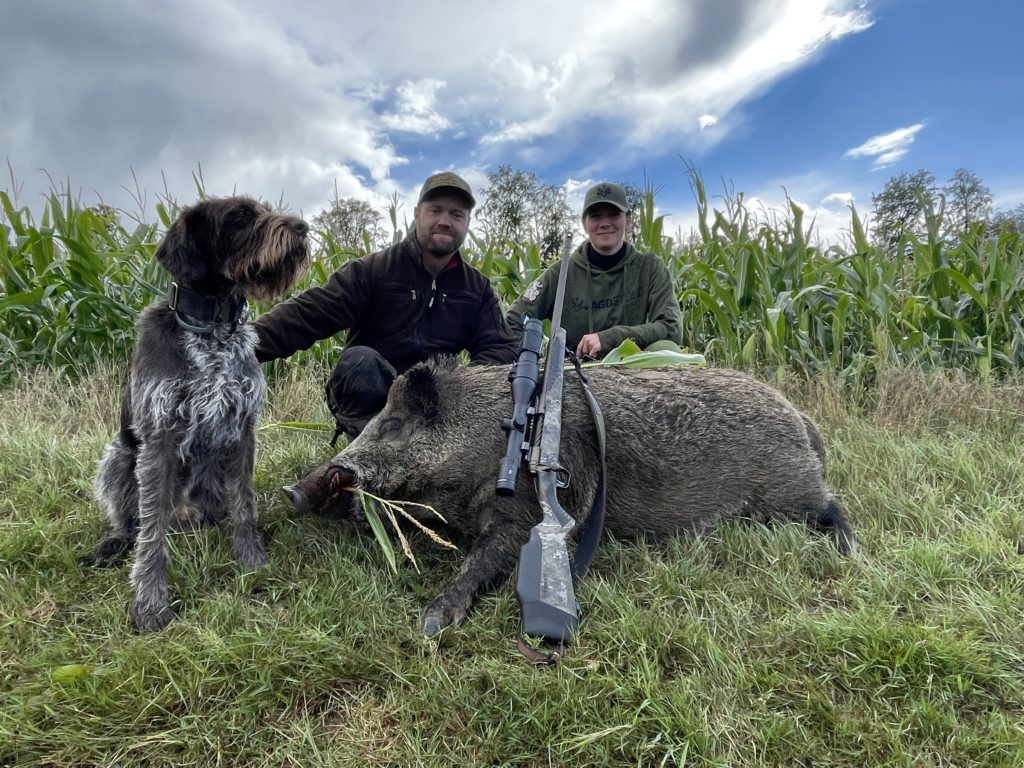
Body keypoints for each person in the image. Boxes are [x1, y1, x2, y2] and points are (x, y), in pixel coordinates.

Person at [254, 171, 519, 443]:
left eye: (456, 214)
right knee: (359, 361)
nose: (444, 221)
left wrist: (458, 384)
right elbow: (309, 314)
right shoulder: (374, 270)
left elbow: (500, 348)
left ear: (467, 223)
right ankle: (368, 455)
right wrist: (240, 343)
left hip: (434, 403)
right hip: (374, 397)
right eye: (435, 210)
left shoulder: (477, 289)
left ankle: (430, 452)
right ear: (417, 215)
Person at [506, 181, 682, 360]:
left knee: (666, 348)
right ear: (584, 224)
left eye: (613, 215)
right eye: (596, 216)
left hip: (631, 367)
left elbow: (670, 328)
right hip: (571, 370)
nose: (605, 223)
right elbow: (513, 322)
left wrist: (612, 338)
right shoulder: (561, 273)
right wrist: (534, 357)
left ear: (628, 221)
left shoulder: (649, 267)